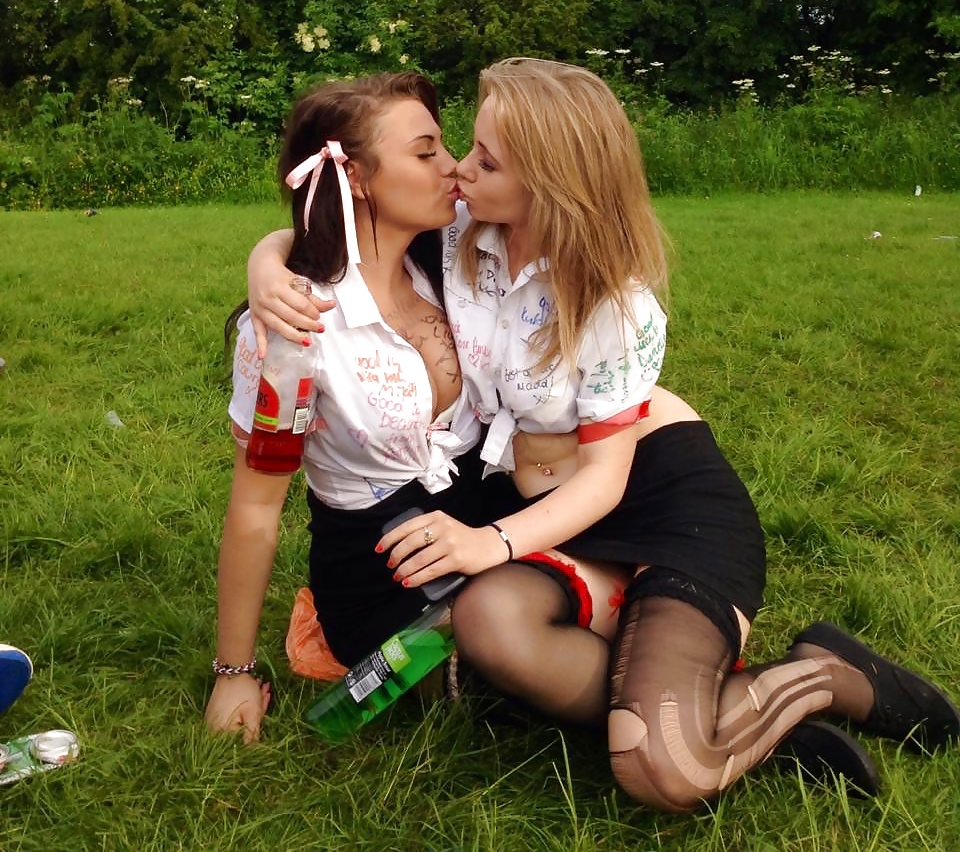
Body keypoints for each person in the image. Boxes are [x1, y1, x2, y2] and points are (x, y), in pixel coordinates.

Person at [245, 59, 959, 808]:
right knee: (491, 623)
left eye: (486, 159)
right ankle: (730, 714)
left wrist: (490, 544)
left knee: (664, 772)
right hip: (557, 520)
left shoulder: (616, 304)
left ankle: (819, 675)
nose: (460, 168)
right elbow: (344, 226)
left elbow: (607, 478)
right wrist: (269, 267)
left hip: (662, 510)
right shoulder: (458, 238)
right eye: (465, 147)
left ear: (549, 185)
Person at [206, 71, 501, 743]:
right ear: (357, 178)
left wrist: (268, 250)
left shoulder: (456, 252)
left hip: (489, 521)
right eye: (426, 152)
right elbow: (256, 508)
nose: (454, 166)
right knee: (512, 647)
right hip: (381, 566)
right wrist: (233, 671)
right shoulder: (295, 329)